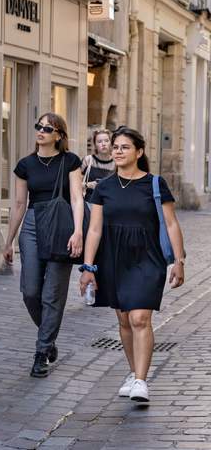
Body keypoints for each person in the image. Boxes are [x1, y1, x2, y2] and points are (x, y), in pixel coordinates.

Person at [79, 128, 185, 403]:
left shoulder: (155, 184)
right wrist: (88, 268)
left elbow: (171, 223)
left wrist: (178, 260)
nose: (117, 151)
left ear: (139, 152)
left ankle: (140, 380)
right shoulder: (104, 187)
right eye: (115, 147)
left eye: (125, 147)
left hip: (147, 257)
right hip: (113, 257)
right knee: (124, 319)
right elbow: (94, 230)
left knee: (140, 317)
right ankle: (133, 370)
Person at [3, 113, 84, 378]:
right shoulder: (25, 164)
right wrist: (8, 239)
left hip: (61, 225)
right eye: (38, 126)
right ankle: (47, 337)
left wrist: (78, 231)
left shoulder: (70, 161)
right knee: (30, 291)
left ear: (59, 135)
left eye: (47, 128)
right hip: (33, 225)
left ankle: (42, 351)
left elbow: (76, 197)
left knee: (53, 294)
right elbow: (18, 204)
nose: (41, 131)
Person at [81, 128, 115, 201]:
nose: (103, 144)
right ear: (95, 145)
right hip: (90, 203)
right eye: (99, 141)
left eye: (106, 141)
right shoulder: (88, 160)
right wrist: (88, 185)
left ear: (111, 143)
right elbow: (75, 184)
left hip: (109, 203)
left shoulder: (116, 162)